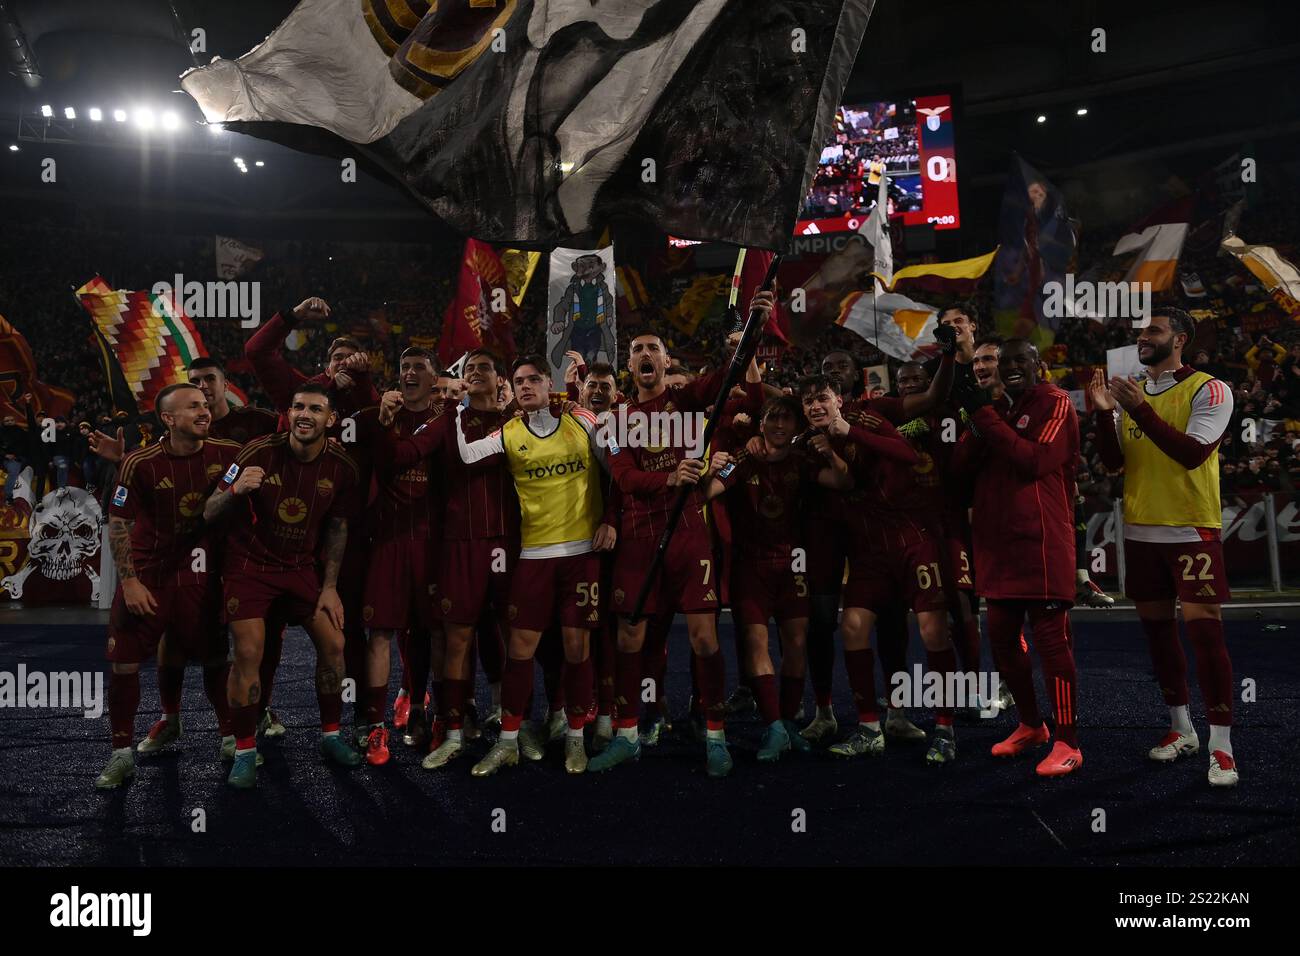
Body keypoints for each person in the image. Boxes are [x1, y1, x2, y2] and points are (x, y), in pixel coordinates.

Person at [589, 293, 772, 778]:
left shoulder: (687, 401)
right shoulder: (618, 419)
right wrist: (669, 478)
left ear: (667, 361)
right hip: (637, 538)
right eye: (637, 350)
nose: (645, 355)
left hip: (689, 533)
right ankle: (628, 734)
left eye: (654, 349)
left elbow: (732, 375)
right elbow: (624, 477)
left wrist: (756, 323)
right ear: (630, 364)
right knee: (630, 637)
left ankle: (714, 735)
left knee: (704, 638)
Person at [1089, 307, 1239, 787]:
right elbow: (1113, 464)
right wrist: (1101, 417)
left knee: (1205, 635)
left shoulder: (1210, 389)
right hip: (1140, 531)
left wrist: (1136, 409)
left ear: (1181, 339)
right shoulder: (1131, 392)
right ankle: (1181, 729)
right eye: (1139, 331)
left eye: (1153, 330)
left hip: (1191, 529)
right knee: (1157, 635)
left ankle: (1222, 744)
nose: (1142, 337)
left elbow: (1192, 453)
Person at [455, 355, 620, 776]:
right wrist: (456, 408)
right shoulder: (509, 431)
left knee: (577, 651)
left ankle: (576, 741)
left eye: (533, 380)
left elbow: (615, 471)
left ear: (549, 385)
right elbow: (467, 456)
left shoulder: (582, 420)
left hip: (581, 556)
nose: (526, 386)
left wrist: (611, 520)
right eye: (519, 382)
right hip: (533, 557)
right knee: (520, 651)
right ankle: (508, 742)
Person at [202, 383, 363, 788]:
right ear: (288, 413)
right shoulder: (256, 451)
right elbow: (209, 510)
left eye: (314, 408)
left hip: (300, 569)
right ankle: (244, 749)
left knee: (335, 644)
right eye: (297, 407)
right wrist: (235, 491)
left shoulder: (342, 467)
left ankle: (330, 735)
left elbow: (338, 529)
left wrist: (330, 586)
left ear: (331, 420)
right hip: (249, 568)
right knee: (249, 653)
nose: (304, 415)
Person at [94, 383, 241, 789]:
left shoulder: (227, 454)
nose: (204, 409)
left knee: (213, 656)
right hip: (147, 574)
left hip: (200, 572)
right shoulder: (139, 463)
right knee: (124, 661)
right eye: (191, 406)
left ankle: (229, 735)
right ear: (168, 419)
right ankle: (121, 753)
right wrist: (130, 582)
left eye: (204, 403)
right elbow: (119, 523)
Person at [951, 339, 1083, 777]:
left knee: (1051, 642)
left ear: (1039, 366)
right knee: (1002, 640)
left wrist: (985, 416)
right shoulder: (999, 408)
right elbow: (959, 469)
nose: (1008, 369)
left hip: (1041, 543)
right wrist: (977, 415)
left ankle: (1068, 741)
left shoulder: (1055, 400)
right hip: (997, 546)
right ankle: (1032, 724)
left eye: (1017, 361)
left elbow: (1034, 459)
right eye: (1001, 362)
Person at [703, 395, 852, 761]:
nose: (780, 425)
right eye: (773, 418)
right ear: (761, 424)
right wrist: (711, 467)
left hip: (792, 565)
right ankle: (772, 725)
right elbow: (707, 492)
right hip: (749, 566)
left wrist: (831, 452)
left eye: (787, 419)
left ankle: (785, 725)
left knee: (796, 645)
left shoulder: (803, 461)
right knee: (756, 643)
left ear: (796, 426)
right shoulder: (743, 457)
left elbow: (842, 481)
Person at [358, 347, 444, 765]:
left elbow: (401, 457)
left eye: (418, 368)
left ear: (435, 378)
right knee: (380, 633)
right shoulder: (375, 416)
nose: (409, 373)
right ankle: (375, 729)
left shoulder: (446, 420)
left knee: (427, 631)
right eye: (403, 366)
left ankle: (424, 711)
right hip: (386, 541)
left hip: (430, 541)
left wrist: (386, 426)